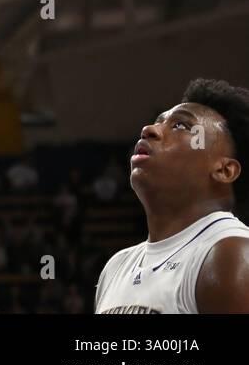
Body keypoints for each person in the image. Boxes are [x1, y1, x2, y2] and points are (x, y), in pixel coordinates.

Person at [95, 78, 249, 313]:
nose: (148, 130)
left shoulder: (231, 254)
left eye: (180, 126)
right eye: (158, 122)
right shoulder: (116, 267)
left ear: (224, 170)